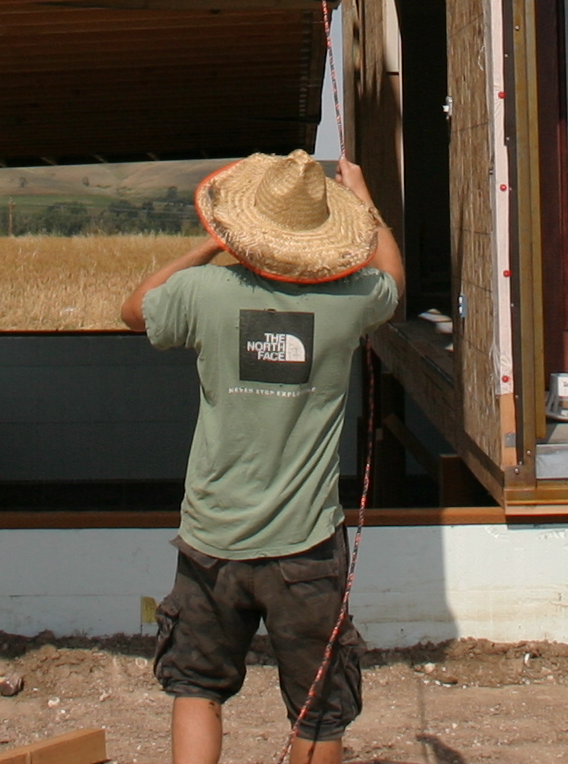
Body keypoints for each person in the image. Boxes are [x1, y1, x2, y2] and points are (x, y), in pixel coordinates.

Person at [121, 152, 401, 764]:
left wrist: (206, 249)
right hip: (305, 548)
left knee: (195, 686)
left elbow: (135, 310)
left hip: (210, 538)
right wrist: (366, 198)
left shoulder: (204, 292)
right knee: (319, 708)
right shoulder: (350, 301)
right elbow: (394, 284)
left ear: (242, 229)